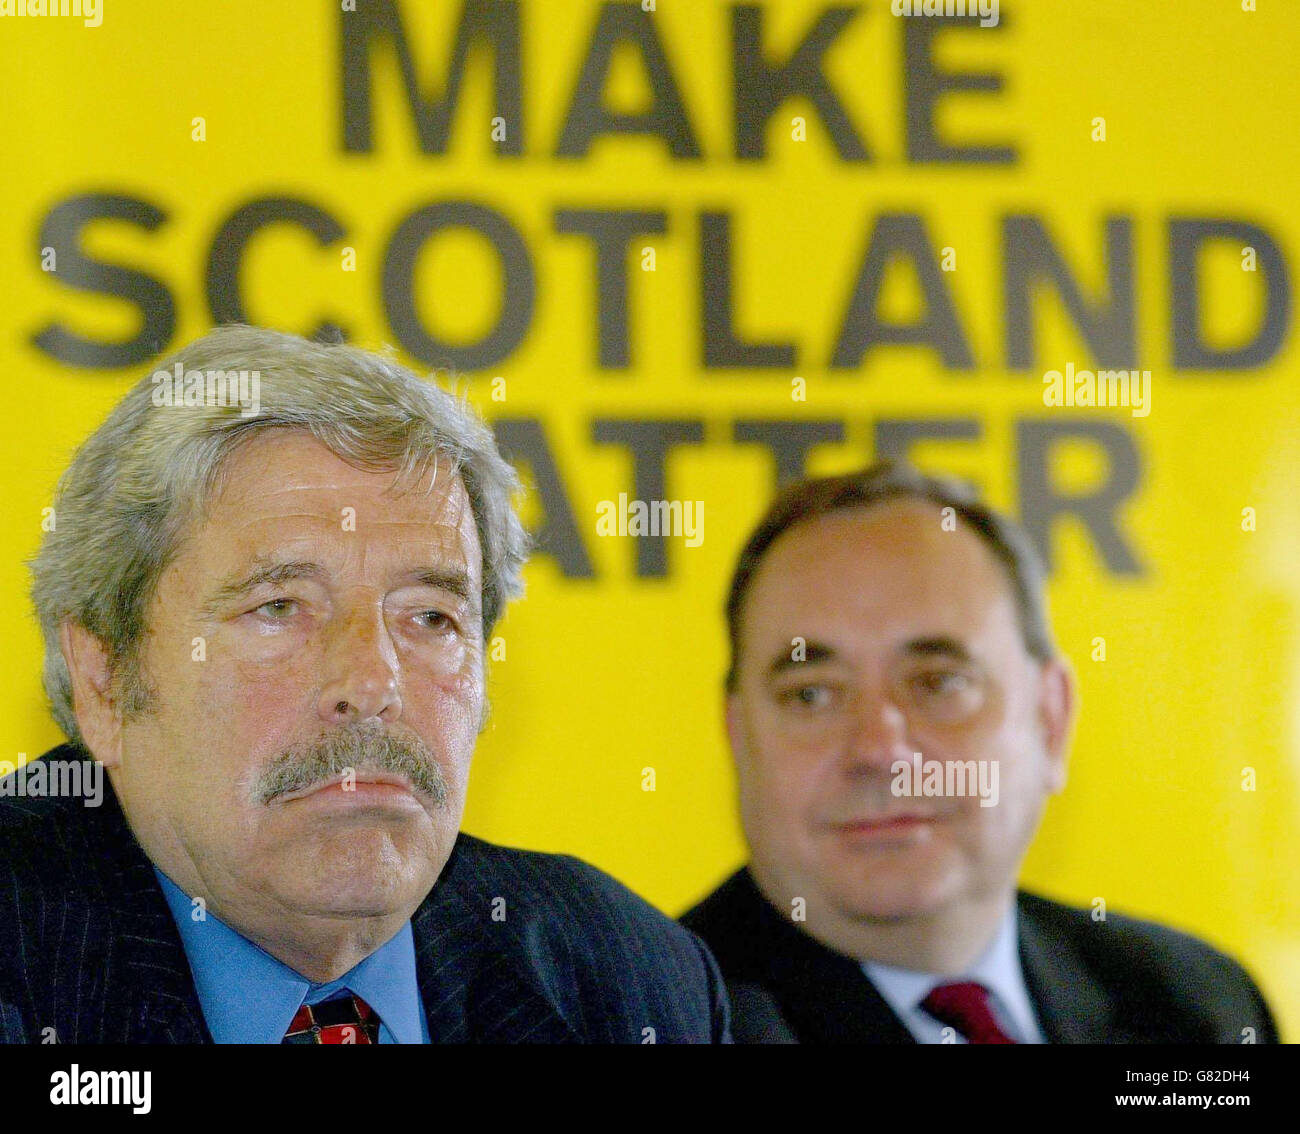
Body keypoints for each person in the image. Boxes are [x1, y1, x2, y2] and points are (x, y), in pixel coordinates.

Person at [1, 325, 728, 1045]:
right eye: (279, 608)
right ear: (104, 679)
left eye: (430, 617)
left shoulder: (629, 979)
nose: (374, 682)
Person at [681, 461, 1277, 1043]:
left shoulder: (1195, 1008)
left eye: (938, 682)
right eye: (810, 695)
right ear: (738, 737)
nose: (880, 750)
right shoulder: (656, 1020)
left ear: (1051, 719)